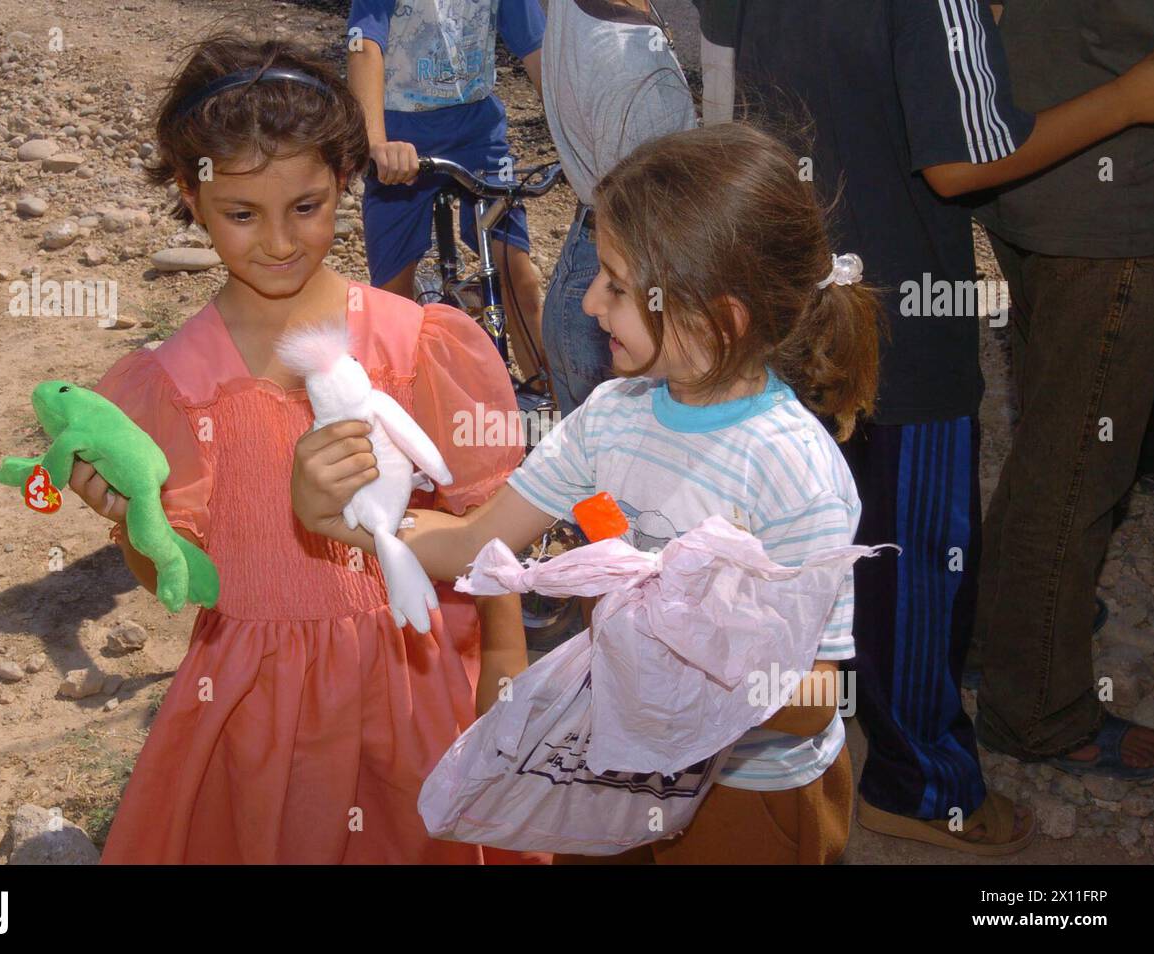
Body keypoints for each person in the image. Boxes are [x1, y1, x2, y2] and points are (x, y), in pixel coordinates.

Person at [294, 122, 883, 863]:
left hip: (751, 792)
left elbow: (813, 700)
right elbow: (478, 543)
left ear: (716, 316)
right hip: (617, 767)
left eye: (616, 285)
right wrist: (356, 524)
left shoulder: (794, 472)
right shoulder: (613, 414)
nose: (588, 305)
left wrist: (685, 657)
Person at [70, 33, 535, 864]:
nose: (280, 241)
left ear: (345, 184)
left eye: (308, 207)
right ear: (192, 194)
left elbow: (485, 523)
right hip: (256, 710)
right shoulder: (171, 386)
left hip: (415, 684)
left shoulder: (417, 345)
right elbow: (183, 583)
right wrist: (133, 529)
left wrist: (504, 659)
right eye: (243, 214)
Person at [735, 0, 1154, 852]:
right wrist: (1133, 99)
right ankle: (921, 784)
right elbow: (965, 160)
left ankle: (858, 684)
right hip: (899, 323)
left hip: (809, 280)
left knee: (847, 527)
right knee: (919, 551)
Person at [971, 1, 1154, 780]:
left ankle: (1000, 632)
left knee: (1055, 441)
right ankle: (1038, 710)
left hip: (1036, 172)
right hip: (1104, 217)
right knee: (1078, 470)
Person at [346, 0, 550, 389]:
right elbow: (364, 43)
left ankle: (548, 404)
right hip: (401, 136)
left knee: (517, 277)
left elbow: (536, 47)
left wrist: (569, 128)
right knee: (392, 300)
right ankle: (399, 400)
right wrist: (374, 142)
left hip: (477, 131)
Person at [540, 0, 696, 418]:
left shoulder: (577, 11)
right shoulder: (636, 69)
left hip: (587, 258)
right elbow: (648, 225)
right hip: (627, 277)